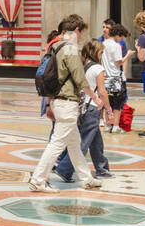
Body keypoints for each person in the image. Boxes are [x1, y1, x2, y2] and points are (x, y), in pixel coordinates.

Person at [28, 15, 103, 192]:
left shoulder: (54, 46)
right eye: (81, 33)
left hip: (57, 100)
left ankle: (86, 178)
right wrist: (96, 98)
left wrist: (47, 104)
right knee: (56, 144)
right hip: (67, 102)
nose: (81, 37)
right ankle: (38, 179)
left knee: (74, 145)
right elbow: (80, 78)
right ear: (76, 30)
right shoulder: (69, 48)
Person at [53, 40, 113, 182]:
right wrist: (109, 110)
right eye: (101, 52)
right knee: (84, 142)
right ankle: (65, 169)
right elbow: (102, 92)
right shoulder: (98, 69)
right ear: (97, 53)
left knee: (95, 140)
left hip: (81, 107)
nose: (102, 55)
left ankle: (102, 167)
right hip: (93, 107)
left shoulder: (83, 67)